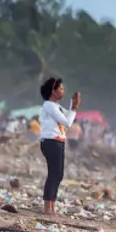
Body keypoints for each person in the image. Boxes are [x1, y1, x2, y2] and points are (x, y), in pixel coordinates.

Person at [38, 76, 79, 214]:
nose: (63, 91)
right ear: (53, 91)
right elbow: (67, 122)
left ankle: (52, 205)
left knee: (58, 174)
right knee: (54, 174)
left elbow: (69, 115)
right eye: (60, 89)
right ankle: (47, 207)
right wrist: (73, 109)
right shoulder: (49, 105)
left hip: (59, 141)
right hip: (51, 141)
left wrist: (73, 106)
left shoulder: (57, 107)